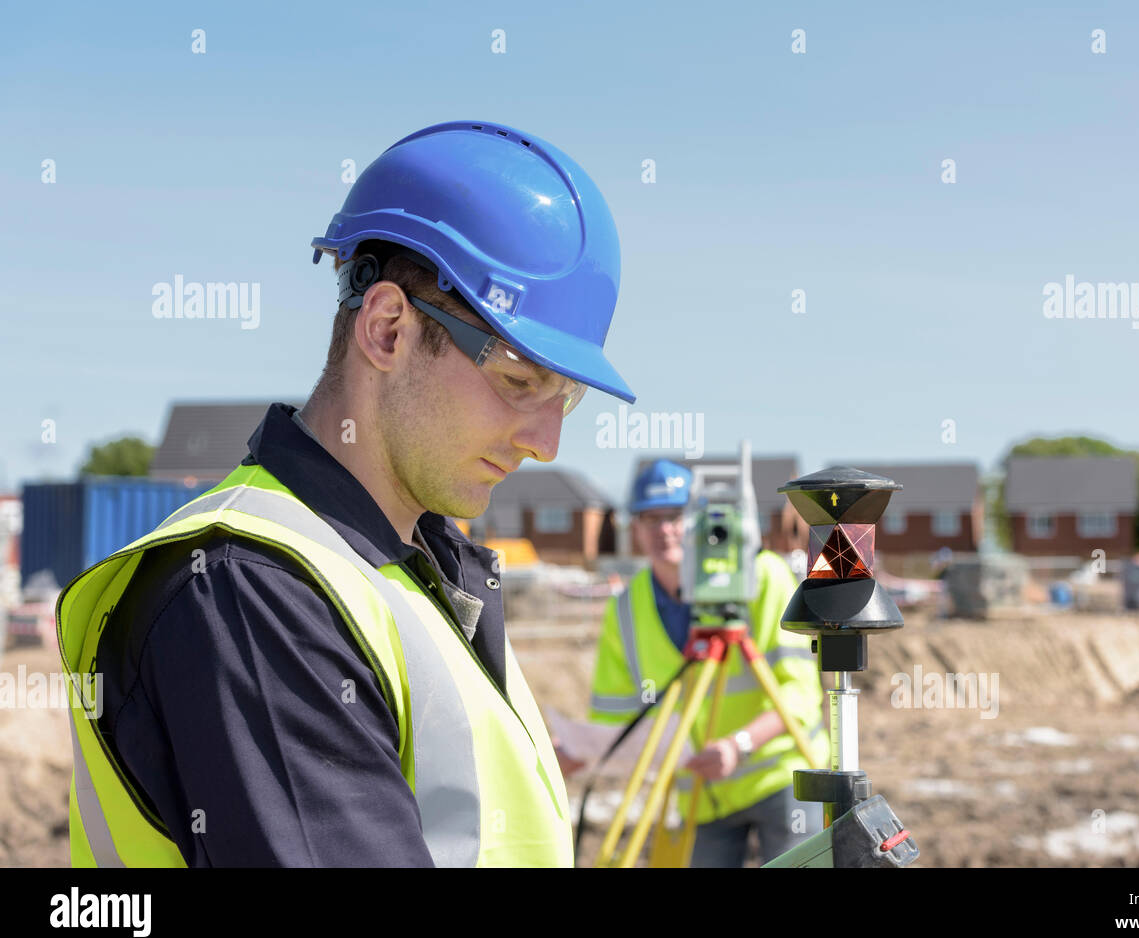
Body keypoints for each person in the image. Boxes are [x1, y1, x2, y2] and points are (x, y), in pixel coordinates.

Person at [56, 120, 635, 867]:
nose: (545, 442)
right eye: (519, 381)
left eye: (566, 398)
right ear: (389, 329)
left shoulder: (417, 573)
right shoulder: (252, 591)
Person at [578, 459, 829, 867]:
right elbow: (614, 714)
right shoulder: (626, 608)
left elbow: (800, 693)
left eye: (676, 515)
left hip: (784, 775)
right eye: (651, 518)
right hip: (702, 791)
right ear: (635, 527)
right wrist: (578, 745)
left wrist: (738, 745)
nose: (665, 529)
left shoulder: (764, 576)